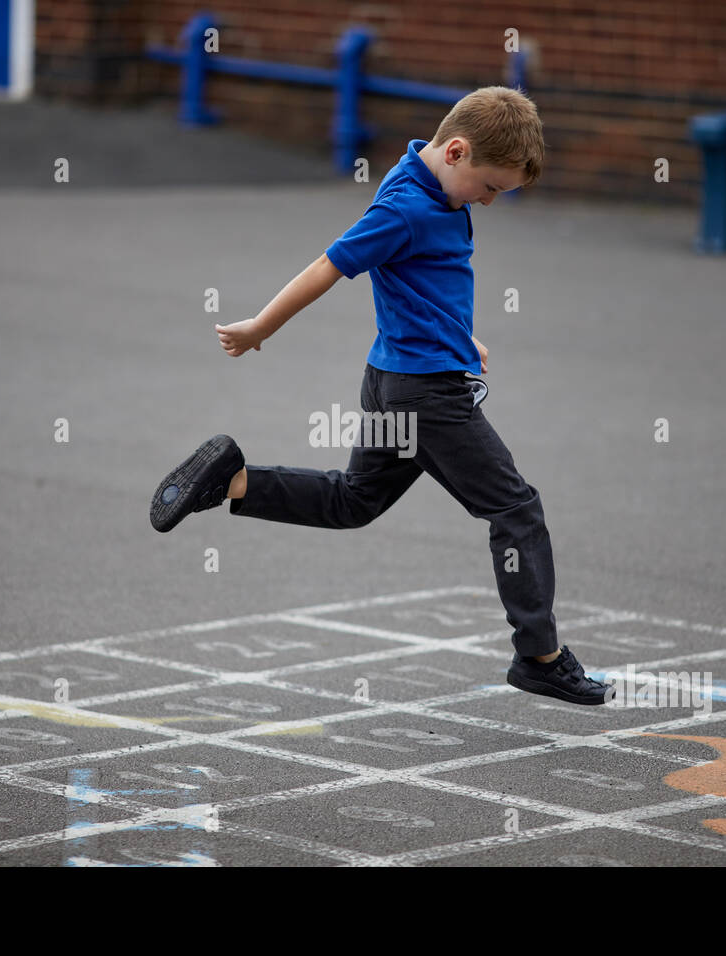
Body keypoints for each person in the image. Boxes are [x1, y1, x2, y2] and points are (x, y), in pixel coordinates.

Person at [150, 86, 613, 707]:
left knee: (355, 500)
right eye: (491, 187)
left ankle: (231, 481)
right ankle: (540, 657)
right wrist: (262, 327)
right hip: (426, 398)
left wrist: (457, 334)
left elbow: (417, 279)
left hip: (396, 379)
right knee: (516, 511)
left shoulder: (423, 175)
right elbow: (330, 265)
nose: (490, 201)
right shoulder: (404, 209)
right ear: (456, 152)